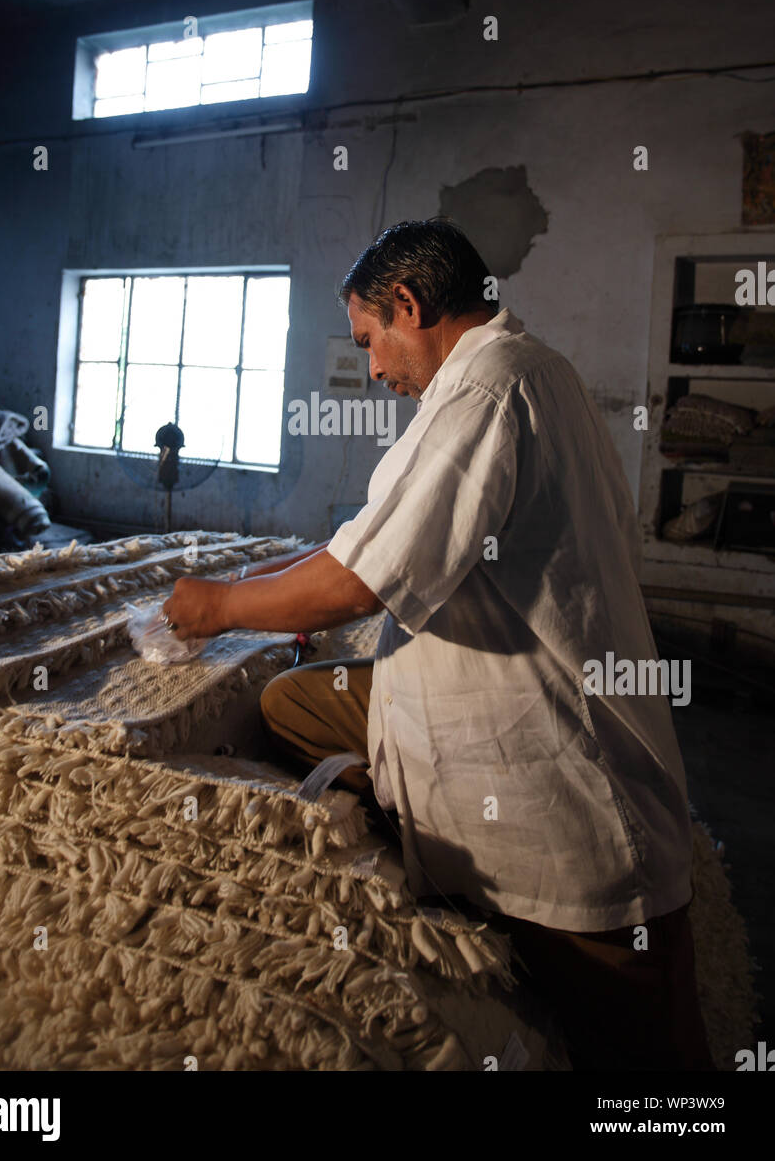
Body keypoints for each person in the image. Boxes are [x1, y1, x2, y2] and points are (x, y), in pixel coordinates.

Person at [162, 217, 714, 1071]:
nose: (374, 369)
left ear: (409, 304)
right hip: (473, 702)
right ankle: (395, 813)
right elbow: (364, 539)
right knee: (293, 702)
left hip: (563, 795)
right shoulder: (532, 371)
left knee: (652, 1079)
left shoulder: (484, 394)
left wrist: (221, 606)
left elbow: (362, 579)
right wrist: (274, 568)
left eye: (369, 341)